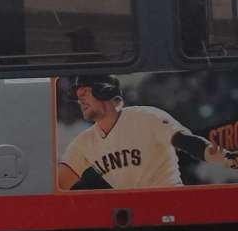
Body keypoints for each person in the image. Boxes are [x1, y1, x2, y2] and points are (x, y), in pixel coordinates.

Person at [57, 76, 238, 190]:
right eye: (78, 97)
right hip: (130, 209)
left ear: (105, 92)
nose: (80, 101)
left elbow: (186, 142)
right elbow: (60, 184)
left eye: (85, 93)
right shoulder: (83, 142)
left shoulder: (146, 117)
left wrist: (222, 157)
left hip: (169, 199)